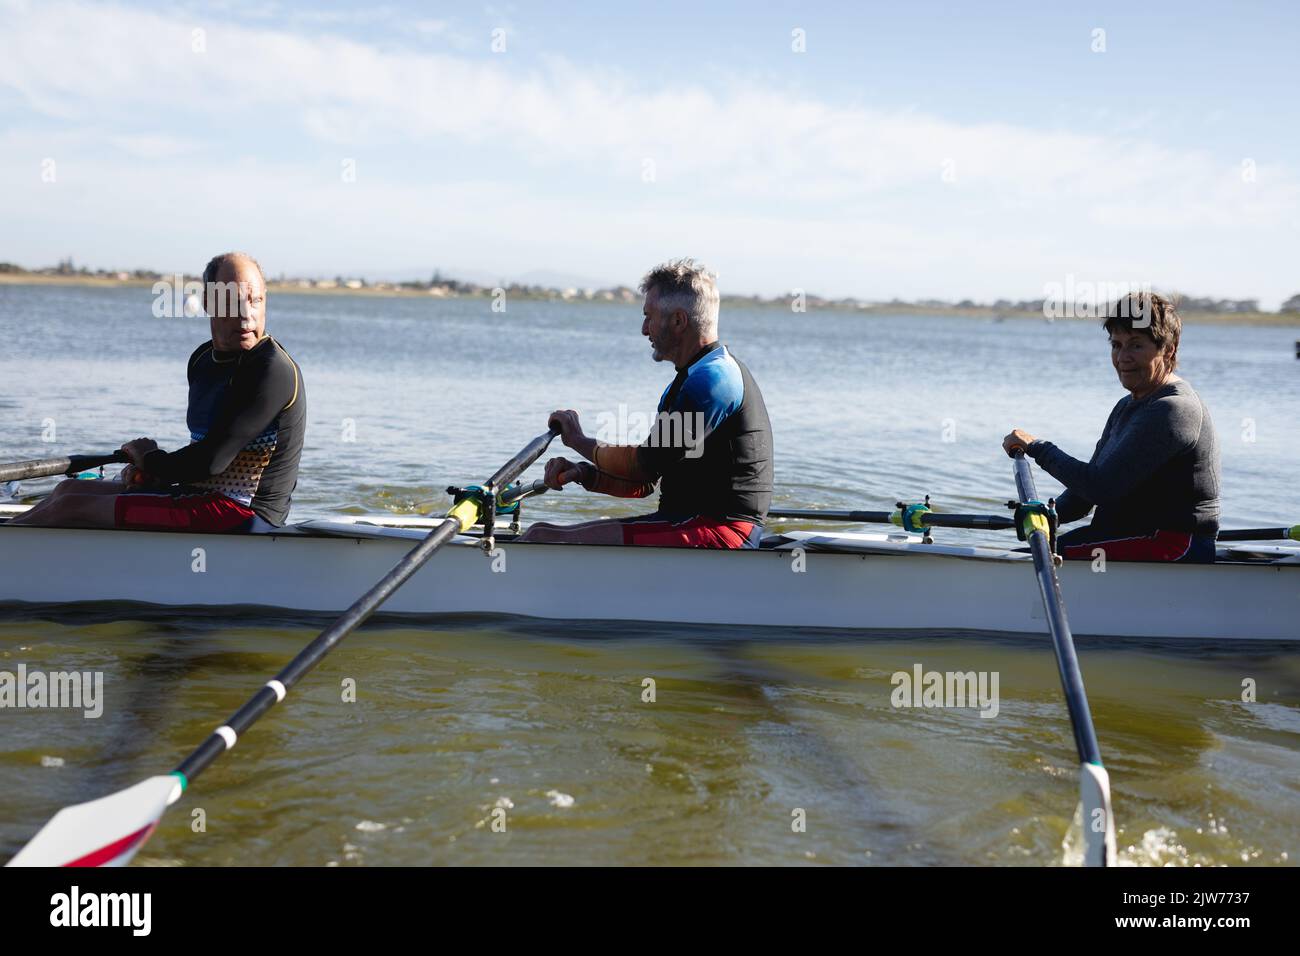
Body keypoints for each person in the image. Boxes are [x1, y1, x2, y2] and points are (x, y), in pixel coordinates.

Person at [12, 252, 306, 532]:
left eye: (255, 301)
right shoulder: (202, 360)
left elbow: (210, 462)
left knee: (70, 508)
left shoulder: (271, 371)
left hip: (243, 514)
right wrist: (155, 474)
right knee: (67, 490)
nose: (246, 315)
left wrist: (151, 459)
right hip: (199, 497)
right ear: (208, 303)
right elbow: (201, 454)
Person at [521, 258, 773, 548]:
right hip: (686, 521)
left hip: (723, 533)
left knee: (543, 538)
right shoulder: (687, 381)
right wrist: (584, 474)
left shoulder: (713, 381)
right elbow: (645, 483)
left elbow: (642, 466)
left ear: (678, 321)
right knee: (541, 530)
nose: (644, 329)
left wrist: (578, 440)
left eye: (648, 316)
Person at [1002, 292, 1220, 562]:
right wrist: (1047, 516)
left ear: (1168, 349)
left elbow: (1098, 488)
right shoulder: (1126, 406)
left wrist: (1037, 448)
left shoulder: (1174, 410)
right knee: (1021, 555)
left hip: (1173, 544)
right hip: (1127, 535)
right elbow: (1085, 497)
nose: (1122, 357)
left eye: (1136, 345)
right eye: (1116, 345)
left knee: (1025, 560)